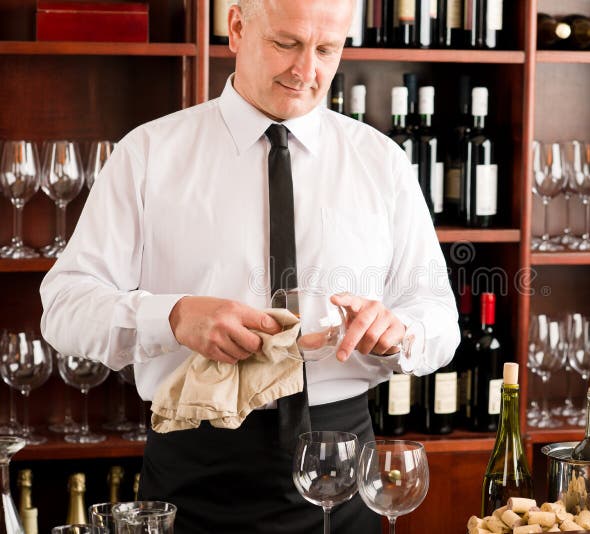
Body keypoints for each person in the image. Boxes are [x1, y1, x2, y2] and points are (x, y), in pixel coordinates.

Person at [39, 0, 459, 532]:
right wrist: (173, 317)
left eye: (327, 49)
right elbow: (64, 307)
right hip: (195, 463)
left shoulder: (382, 162)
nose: (306, 71)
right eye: (286, 43)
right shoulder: (148, 154)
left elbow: (439, 318)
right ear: (236, 27)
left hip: (346, 468)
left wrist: (401, 330)